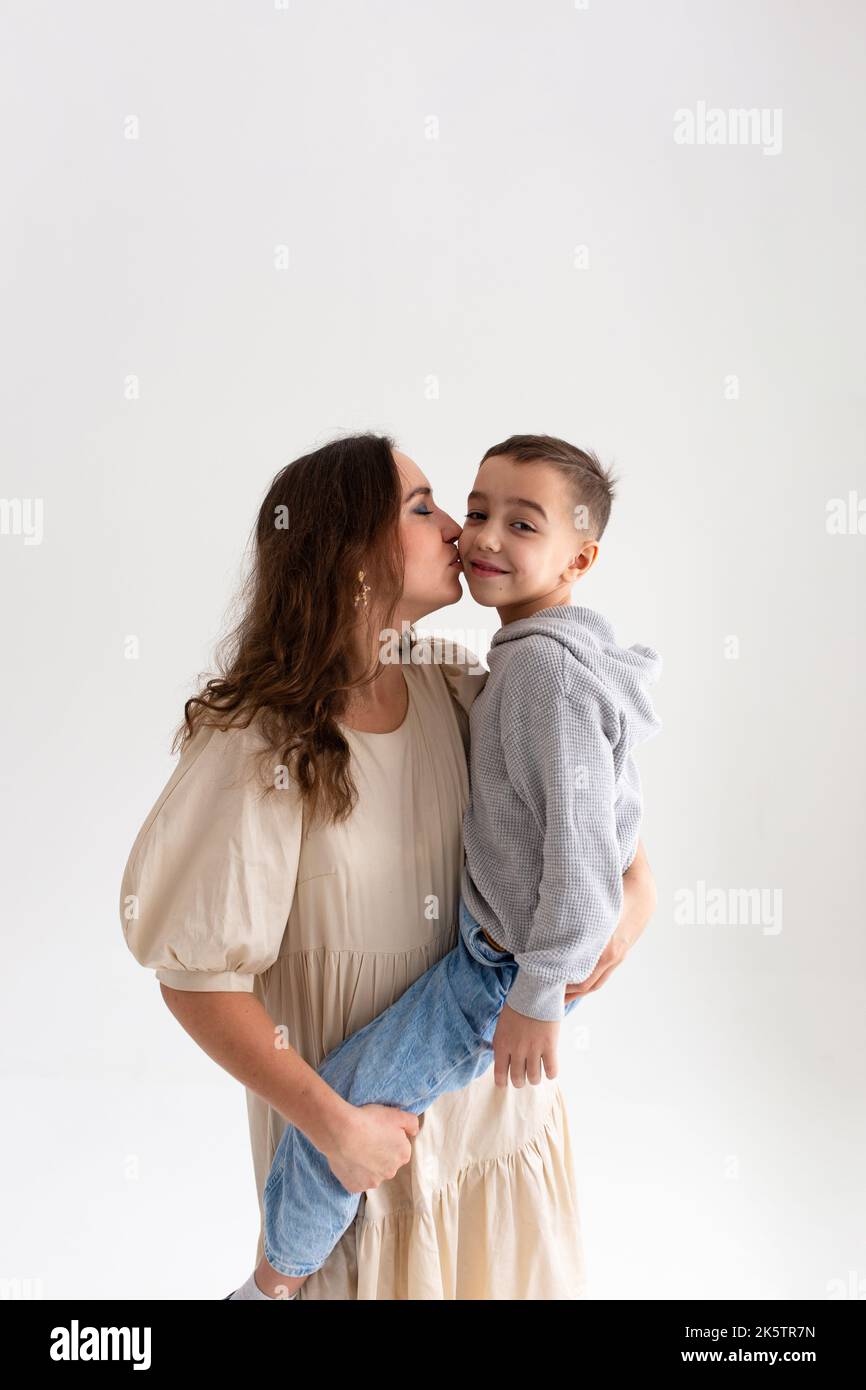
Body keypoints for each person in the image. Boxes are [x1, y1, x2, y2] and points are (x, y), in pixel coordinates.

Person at [119, 431, 659, 1300]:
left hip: (495, 1136)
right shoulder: (261, 741)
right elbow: (196, 981)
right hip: (360, 1160)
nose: (459, 530)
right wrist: (335, 1129)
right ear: (353, 554)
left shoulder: (459, 688)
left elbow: (594, 825)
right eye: (423, 508)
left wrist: (629, 907)